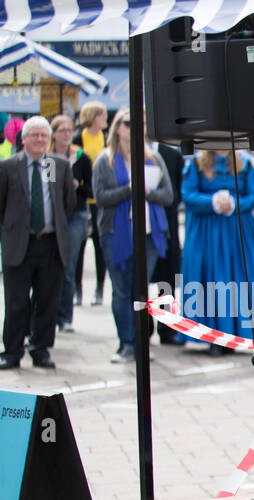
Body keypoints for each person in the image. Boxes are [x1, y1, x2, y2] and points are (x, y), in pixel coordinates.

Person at [93, 109, 172, 364]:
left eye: (141, 123)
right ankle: (126, 343)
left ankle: (140, 344)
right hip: (116, 233)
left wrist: (145, 192)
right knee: (121, 290)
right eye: (129, 123)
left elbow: (168, 196)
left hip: (148, 234)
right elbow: (101, 198)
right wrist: (128, 189)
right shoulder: (104, 161)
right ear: (118, 128)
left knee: (140, 291)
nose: (134, 127)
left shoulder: (154, 158)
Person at [0, 116, 76, 370]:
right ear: (23, 139)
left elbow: (66, 201)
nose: (40, 140)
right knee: (16, 301)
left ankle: (40, 349)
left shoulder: (57, 166)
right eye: (34, 135)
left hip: (50, 245)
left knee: (47, 301)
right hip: (19, 243)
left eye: (44, 135)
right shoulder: (9, 166)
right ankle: (12, 351)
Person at [179, 149, 254, 355]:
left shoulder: (245, 164)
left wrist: (234, 203)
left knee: (240, 279)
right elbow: (187, 195)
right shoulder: (197, 165)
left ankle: (238, 334)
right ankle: (214, 337)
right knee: (211, 280)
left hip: (239, 230)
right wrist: (213, 202)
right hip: (206, 232)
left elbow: (253, 195)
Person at [49, 115, 93, 334]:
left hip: (76, 215)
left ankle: (65, 317)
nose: (67, 134)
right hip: (54, 216)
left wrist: (76, 186)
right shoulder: (47, 158)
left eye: (69, 130)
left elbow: (91, 190)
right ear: (54, 133)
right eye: (62, 130)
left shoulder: (81, 158)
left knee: (69, 264)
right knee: (51, 265)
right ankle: (49, 314)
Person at [73, 101, 109, 307]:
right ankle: (78, 290)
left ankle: (99, 288)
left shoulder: (106, 137)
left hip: (101, 199)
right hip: (84, 197)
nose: (105, 118)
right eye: (102, 115)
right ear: (92, 116)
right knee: (79, 246)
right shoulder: (80, 137)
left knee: (100, 244)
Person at [151, 140, 186, 345]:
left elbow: (177, 193)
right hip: (140, 227)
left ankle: (166, 327)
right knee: (140, 281)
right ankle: (143, 327)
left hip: (167, 227)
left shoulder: (171, 155)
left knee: (167, 281)